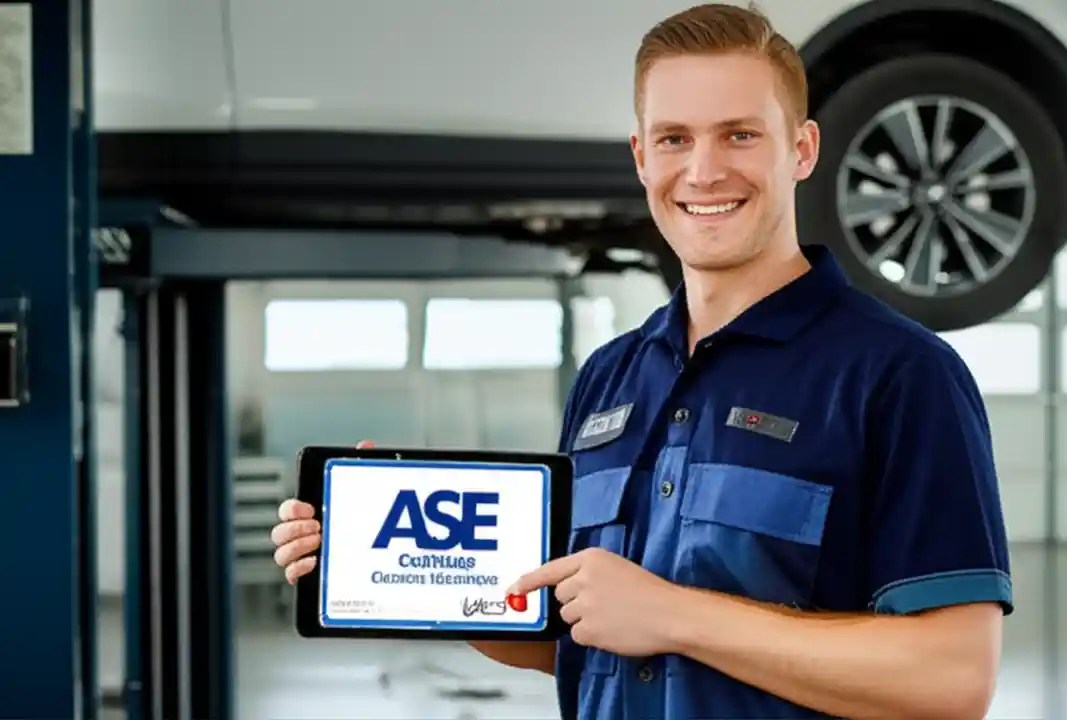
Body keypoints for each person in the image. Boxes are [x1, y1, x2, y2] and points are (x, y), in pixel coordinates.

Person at [271, 3, 1013, 718]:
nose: (704, 171)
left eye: (740, 136)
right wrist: (388, 568)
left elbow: (949, 679)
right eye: (674, 139)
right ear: (640, 156)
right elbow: (577, 640)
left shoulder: (900, 376)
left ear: (804, 150)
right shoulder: (609, 378)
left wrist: (676, 616)